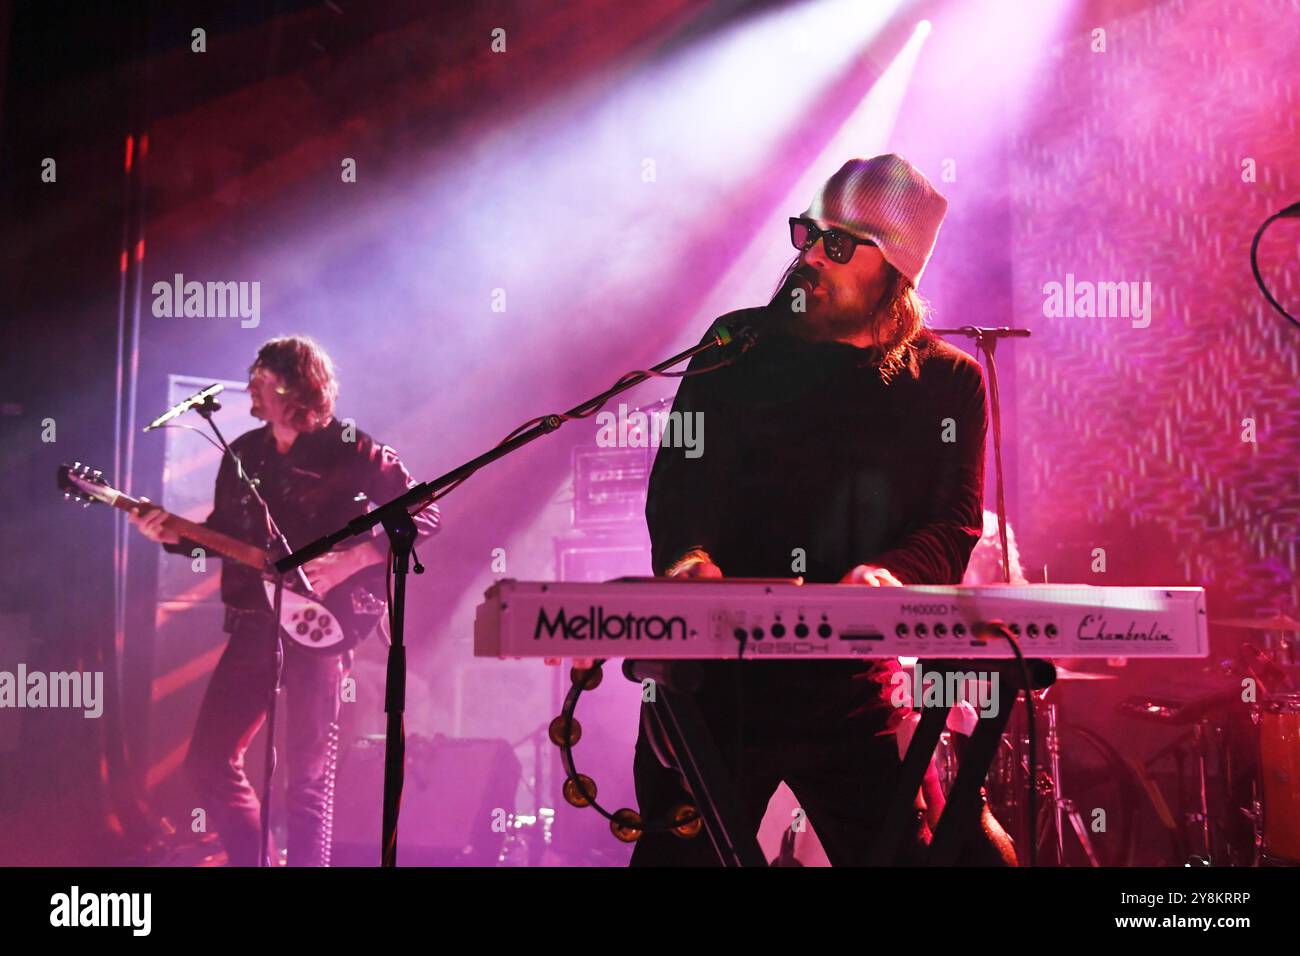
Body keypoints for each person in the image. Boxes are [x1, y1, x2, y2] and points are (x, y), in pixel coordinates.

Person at [634, 154, 990, 866]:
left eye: (836, 245)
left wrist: (889, 577)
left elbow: (953, 523)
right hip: (718, 687)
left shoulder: (948, 382)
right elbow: (679, 489)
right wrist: (689, 565)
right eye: (808, 234)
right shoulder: (737, 345)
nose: (808, 259)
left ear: (896, 269)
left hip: (855, 692)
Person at [130, 335, 439, 866]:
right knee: (209, 761)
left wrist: (353, 560)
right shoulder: (244, 452)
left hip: (326, 621)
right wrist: (167, 534)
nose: (249, 384)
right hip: (256, 620)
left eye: (261, 375)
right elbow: (222, 533)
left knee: (308, 773)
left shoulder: (351, 446)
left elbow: (424, 513)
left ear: (297, 385)